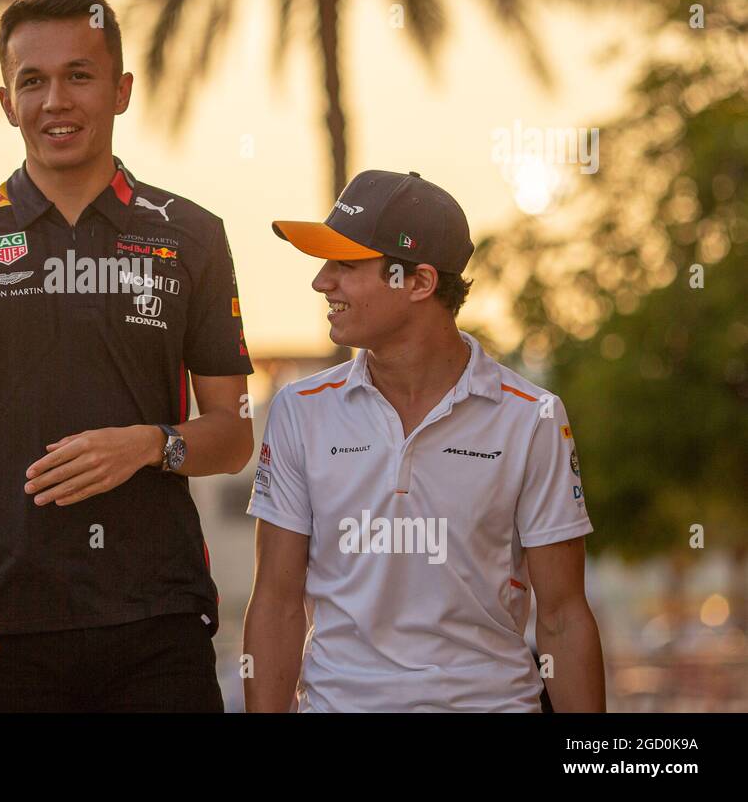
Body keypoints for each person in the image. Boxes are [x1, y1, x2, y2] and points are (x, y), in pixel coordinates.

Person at [0, 0, 254, 712]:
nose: (56, 100)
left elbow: (234, 434)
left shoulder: (191, 236)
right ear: (5, 100)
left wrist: (150, 444)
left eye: (79, 76)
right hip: (9, 622)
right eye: (33, 81)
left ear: (121, 90)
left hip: (160, 617)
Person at [244, 169, 605, 712]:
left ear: (418, 282)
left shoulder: (533, 418)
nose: (322, 282)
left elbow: (561, 617)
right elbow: (275, 603)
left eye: (346, 264)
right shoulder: (299, 412)